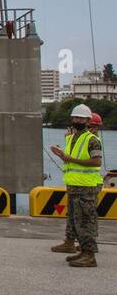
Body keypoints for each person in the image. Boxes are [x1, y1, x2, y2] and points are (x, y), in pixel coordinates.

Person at [50, 103, 103, 267]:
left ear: (88, 121)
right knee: (75, 220)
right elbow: (71, 162)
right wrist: (62, 155)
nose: (77, 120)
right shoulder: (72, 138)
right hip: (73, 186)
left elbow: (96, 161)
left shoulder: (92, 140)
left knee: (85, 221)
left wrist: (69, 159)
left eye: (81, 118)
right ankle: (81, 251)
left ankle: (89, 255)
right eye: (75, 117)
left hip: (86, 188)